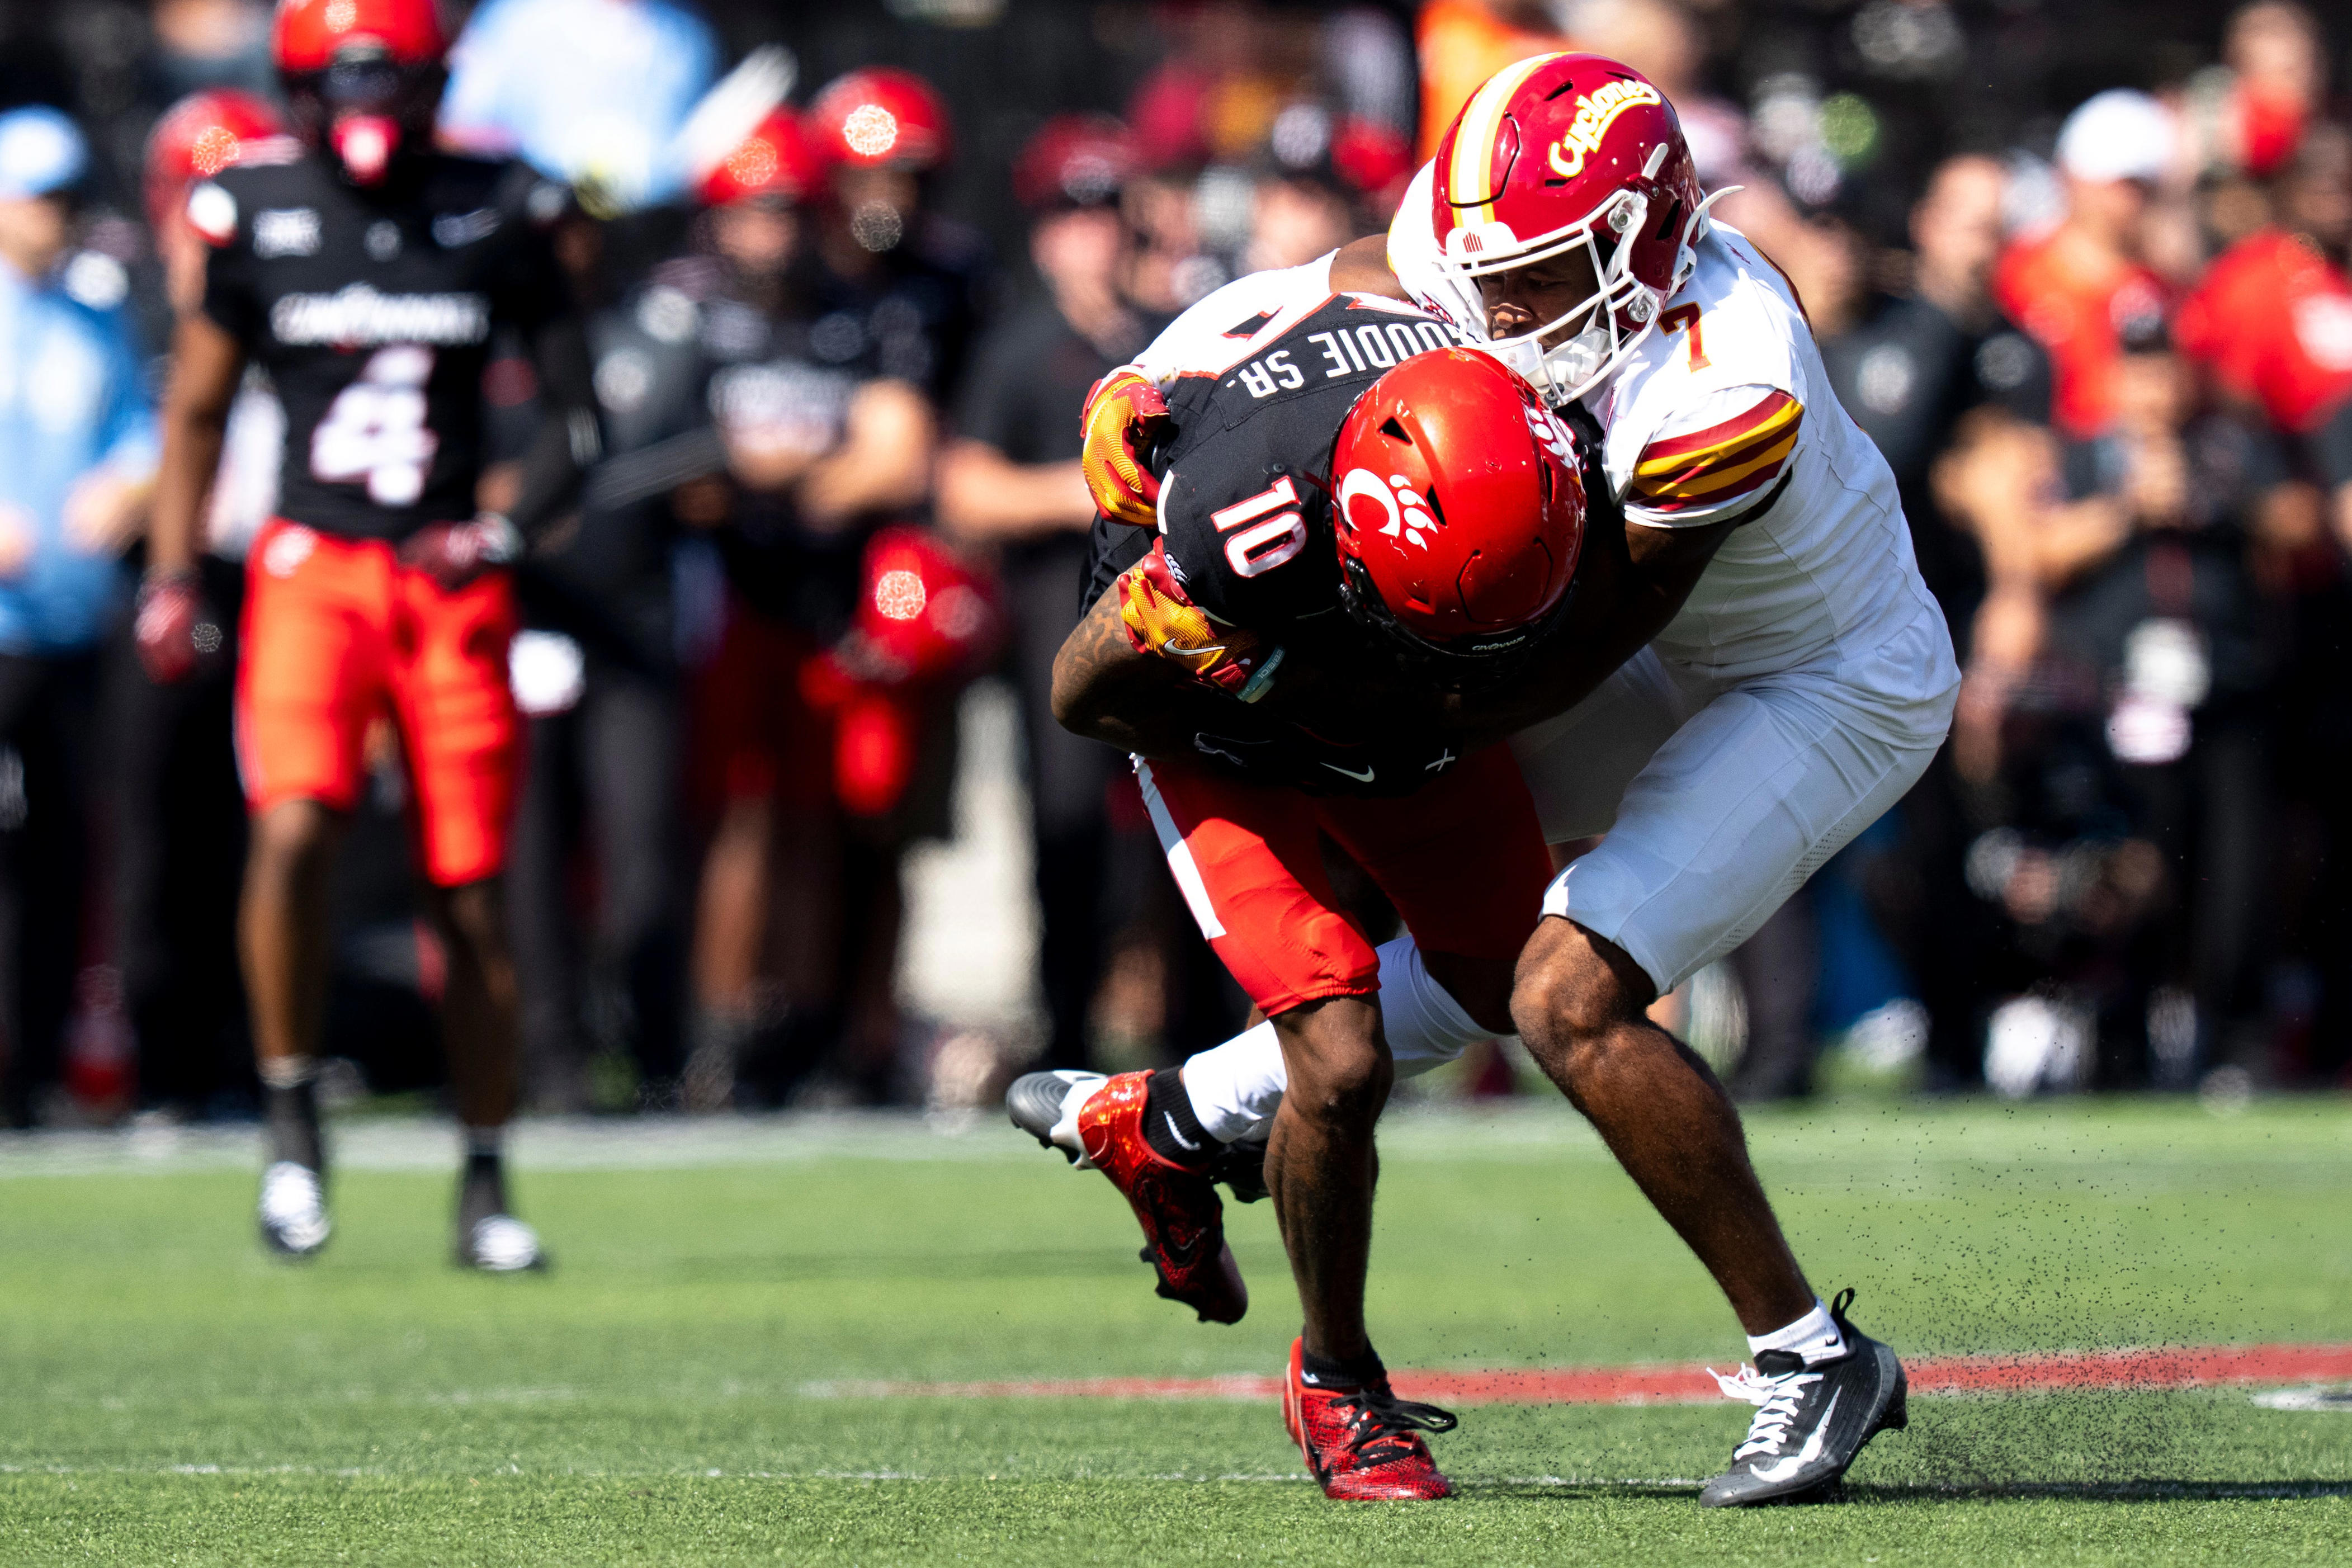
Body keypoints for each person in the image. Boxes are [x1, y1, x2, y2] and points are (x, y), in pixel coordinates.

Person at [1032, 52, 1950, 1507]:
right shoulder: (1495, 250)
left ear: (1645, 246)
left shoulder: (1727, 378)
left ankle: (1809, 1357)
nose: (1495, 308)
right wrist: (1152, 377)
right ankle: (1202, 1107)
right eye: (1489, 270)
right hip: (1613, 637)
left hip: (1814, 682)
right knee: (1479, 936)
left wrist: (1313, 678)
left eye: (1535, 279)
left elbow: (1552, 660)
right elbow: (1335, 283)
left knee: (1562, 994)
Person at [1020, 323, 1589, 1499]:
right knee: (1337, 1051)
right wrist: (1257, 679)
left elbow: (1343, 280)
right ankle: (1340, 1382)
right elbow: (1080, 694)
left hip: (1403, 708)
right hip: (1218, 717)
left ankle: (1167, 1124)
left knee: (1518, 984)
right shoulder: (1239, 523)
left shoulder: (1543, 424)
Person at [140, 0, 601, 1269]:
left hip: (446, 573)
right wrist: (174, 574)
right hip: (308, 565)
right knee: (292, 822)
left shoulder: (503, 202)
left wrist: (502, 535)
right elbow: (193, 411)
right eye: (342, 87)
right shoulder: (249, 208)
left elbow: (574, 424)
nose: (364, 117)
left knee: (469, 892)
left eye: (386, 85)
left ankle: (485, 1170)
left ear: (432, 84)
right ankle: (292, 1120)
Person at [677, 107, 942, 1108]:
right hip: (727, 603)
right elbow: (684, 479)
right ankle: (718, 1035)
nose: (768, 232)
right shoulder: (688, 318)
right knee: (738, 819)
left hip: (831, 604)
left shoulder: (852, 316)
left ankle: (818, 1027)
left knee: (837, 819)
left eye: (784, 210)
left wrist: (779, 475)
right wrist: (788, 474)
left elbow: (890, 456)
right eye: (748, 212)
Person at [936, 115, 1183, 1076]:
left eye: (1104, 213)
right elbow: (965, 489)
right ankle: (1069, 1029)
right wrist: (1096, 483)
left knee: (1182, 828)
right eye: (1071, 215)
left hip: (1172, 606)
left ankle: (1191, 1032)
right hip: (1062, 604)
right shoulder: (1017, 346)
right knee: (1066, 827)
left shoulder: (1170, 334)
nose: (1090, 236)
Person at [1822, 153, 2055, 1088]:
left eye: (1996, 222)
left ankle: (1965, 1035)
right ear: (1924, 222)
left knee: (1948, 835)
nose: (1980, 242)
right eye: (1966, 218)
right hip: (1842, 615)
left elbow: (1998, 475)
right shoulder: (1861, 329)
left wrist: (2016, 590)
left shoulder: (1994, 345)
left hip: (1934, 615)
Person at [116, 88, 290, 1122]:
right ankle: (153, 1051)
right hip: (154, 576)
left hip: (270, 573)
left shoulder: (289, 289)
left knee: (260, 820)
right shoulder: (125, 300)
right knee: (150, 824)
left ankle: (242, 1045)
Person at [0, 108, 158, 1127]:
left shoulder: (95, 319)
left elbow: (142, 430)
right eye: (35, 198)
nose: (52, 218)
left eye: (62, 199)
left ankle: (47, 1055)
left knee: (64, 842)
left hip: (70, 619)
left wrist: (126, 485)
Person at [1994, 90, 2175, 441]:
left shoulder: (2164, 292)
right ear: (2069, 175)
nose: (2125, 200)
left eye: (2139, 186)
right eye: (2114, 183)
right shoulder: (2014, 274)